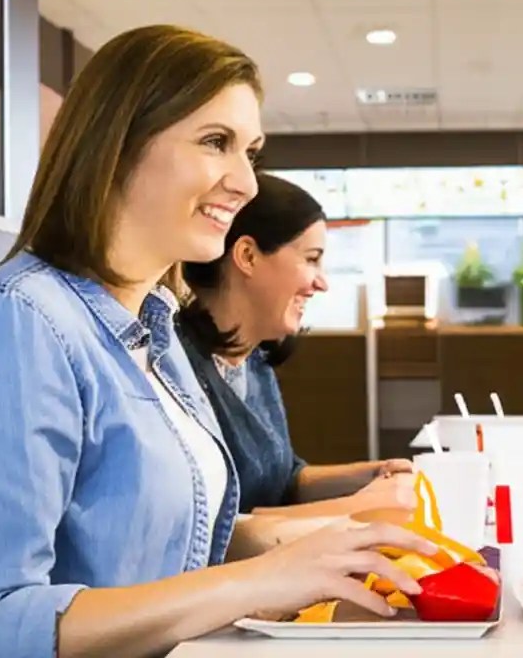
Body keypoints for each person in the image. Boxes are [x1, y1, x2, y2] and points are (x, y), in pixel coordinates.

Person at [0, 25, 435, 658]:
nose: (247, 183)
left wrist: (341, 538)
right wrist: (258, 580)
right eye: (215, 143)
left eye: (250, 152)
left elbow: (176, 547)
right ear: (116, 146)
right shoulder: (15, 325)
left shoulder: (153, 325)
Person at [177, 172, 416, 517]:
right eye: (311, 258)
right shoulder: (177, 372)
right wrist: (354, 507)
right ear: (247, 256)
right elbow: (216, 532)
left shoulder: (254, 362)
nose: (322, 283)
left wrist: (376, 474)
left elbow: (285, 479)